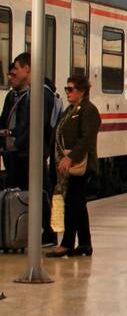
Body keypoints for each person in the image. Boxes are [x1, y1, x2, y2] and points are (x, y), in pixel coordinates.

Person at [0, 51, 57, 246]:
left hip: (31, 154)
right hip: (15, 155)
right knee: (22, 193)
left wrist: (16, 140)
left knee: (40, 193)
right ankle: (21, 233)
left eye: (15, 69)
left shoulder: (42, 94)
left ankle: (48, 233)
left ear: (27, 68)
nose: (11, 75)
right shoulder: (12, 97)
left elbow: (35, 126)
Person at [47, 75, 101, 258]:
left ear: (82, 91)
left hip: (79, 165)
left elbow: (86, 139)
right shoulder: (71, 110)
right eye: (66, 89)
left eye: (71, 89)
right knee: (78, 203)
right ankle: (85, 243)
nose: (68, 93)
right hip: (67, 164)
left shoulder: (88, 111)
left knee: (72, 203)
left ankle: (67, 244)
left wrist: (70, 158)